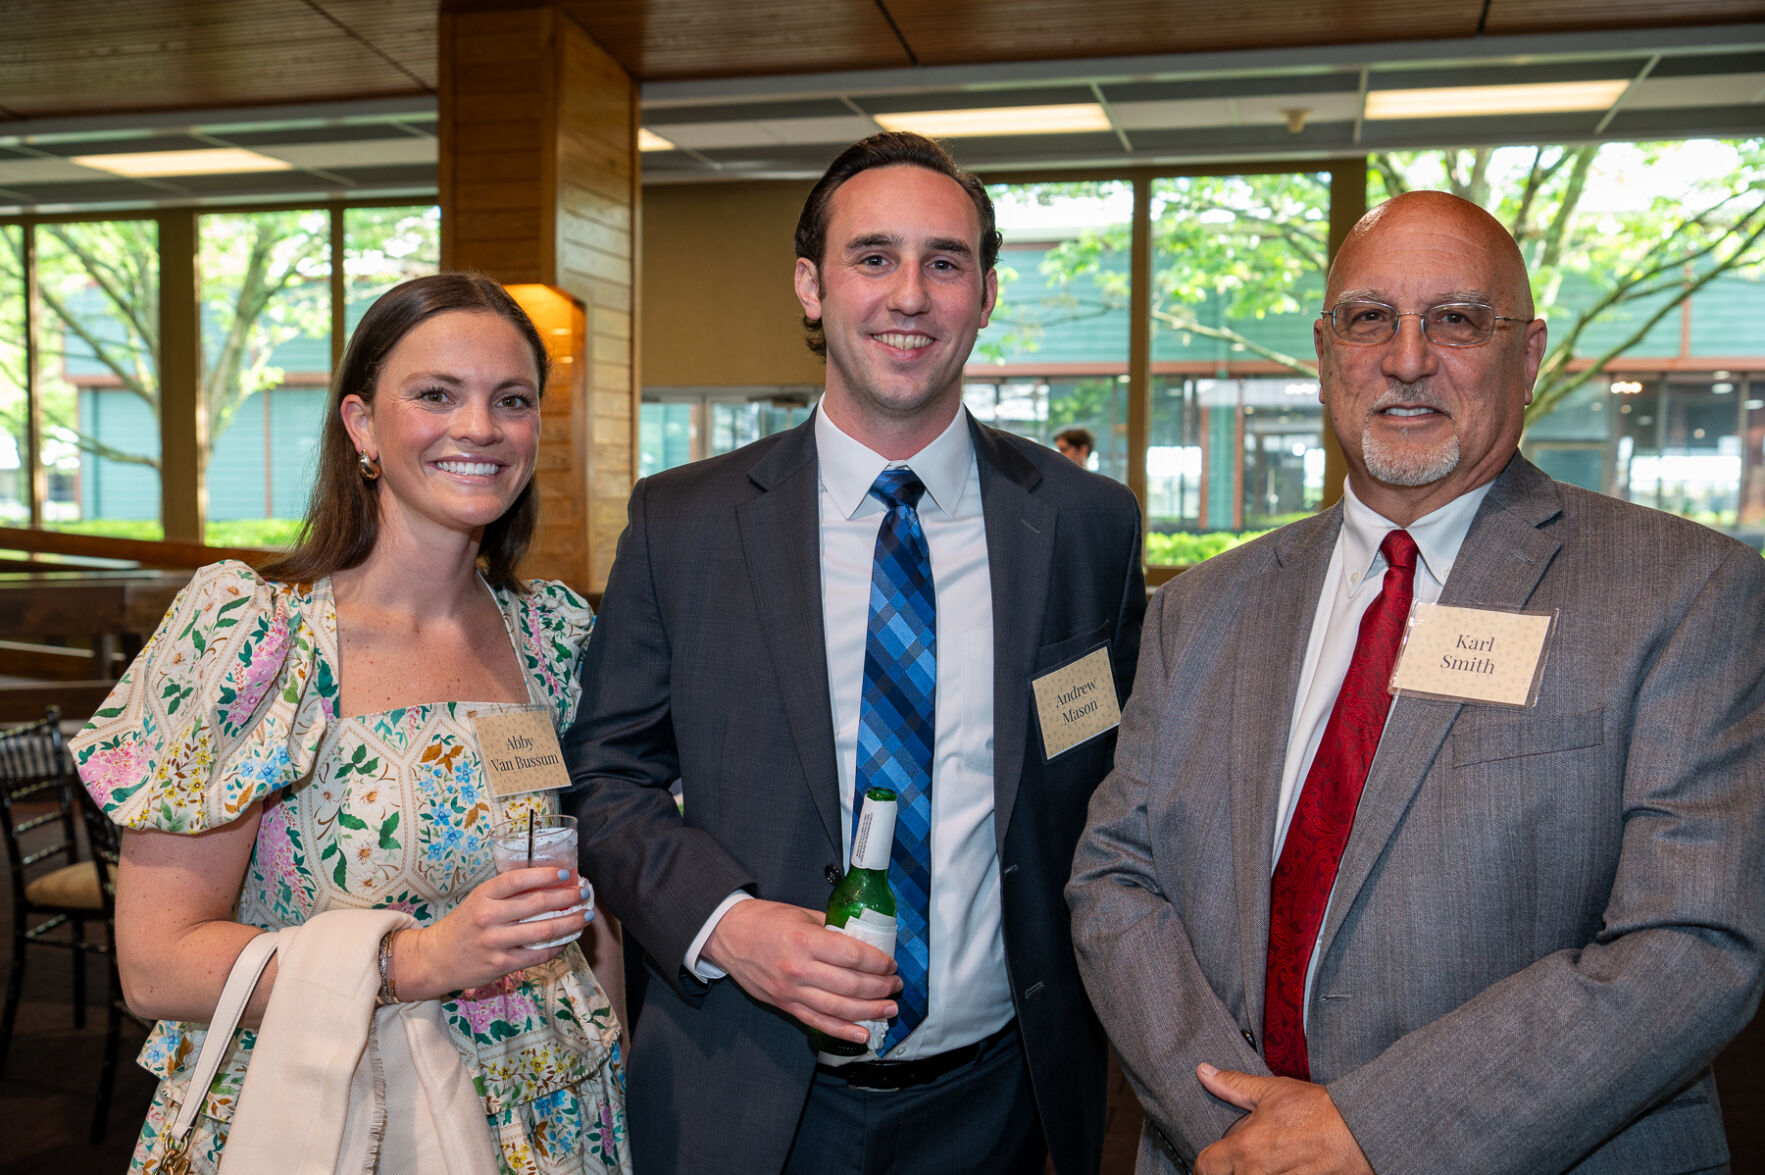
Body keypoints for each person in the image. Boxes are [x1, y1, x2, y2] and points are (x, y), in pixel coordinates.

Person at [1067, 189, 1765, 1175]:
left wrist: (1373, 1131)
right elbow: (1114, 878)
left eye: (1455, 319)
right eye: (1367, 318)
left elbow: (1693, 943)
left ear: (1525, 352)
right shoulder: (1201, 609)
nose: (1404, 359)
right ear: (1325, 352)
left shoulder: (1686, 594)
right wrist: (1235, 1127)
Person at [562, 132, 1146, 1175]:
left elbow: (1107, 779)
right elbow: (607, 778)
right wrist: (729, 925)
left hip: (1002, 1099)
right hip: (744, 1086)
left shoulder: (1084, 526)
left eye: (945, 261)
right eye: (873, 257)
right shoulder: (684, 524)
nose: (909, 294)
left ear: (985, 291)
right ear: (811, 286)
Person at [71, 273, 632, 1174]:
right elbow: (155, 966)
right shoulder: (254, 639)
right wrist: (418, 959)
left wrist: (619, 1064)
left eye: (511, 399)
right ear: (362, 426)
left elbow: (594, 912)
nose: (479, 427)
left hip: (553, 1114)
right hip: (330, 1117)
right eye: (437, 394)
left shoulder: (557, 638)